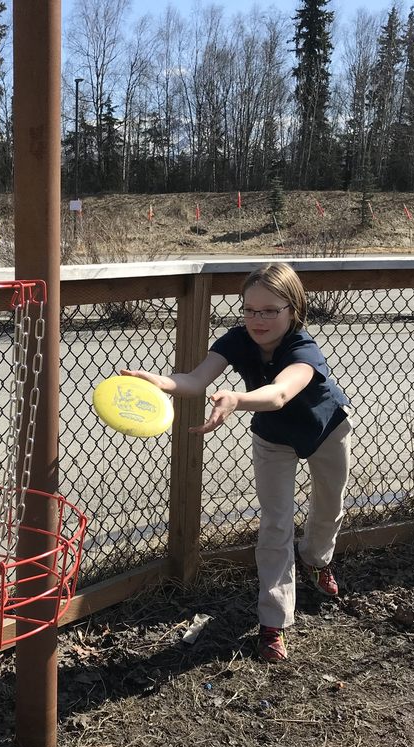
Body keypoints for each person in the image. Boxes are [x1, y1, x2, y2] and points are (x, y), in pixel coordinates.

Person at [123, 263, 352, 663]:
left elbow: (280, 393)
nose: (257, 320)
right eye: (249, 310)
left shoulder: (303, 349)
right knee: (276, 523)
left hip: (326, 430)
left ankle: (316, 561)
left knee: (329, 506)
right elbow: (196, 380)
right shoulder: (237, 340)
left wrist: (237, 400)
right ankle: (273, 622)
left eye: (270, 311)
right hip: (273, 438)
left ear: (293, 309)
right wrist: (162, 382)